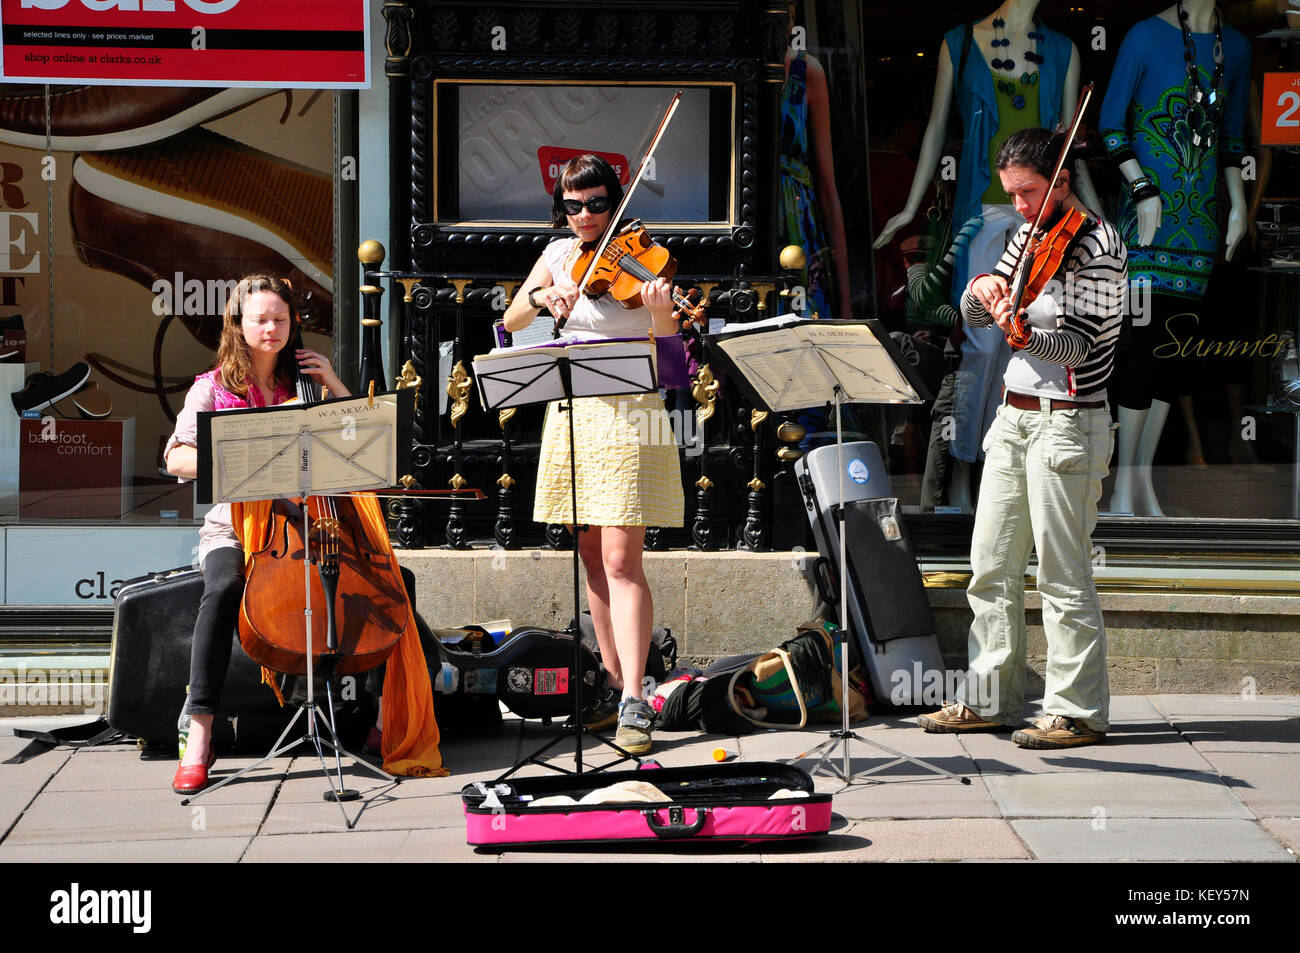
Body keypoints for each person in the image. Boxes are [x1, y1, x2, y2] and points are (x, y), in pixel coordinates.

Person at [165, 275, 443, 795]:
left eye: (281, 319)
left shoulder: (307, 379)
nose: (271, 329)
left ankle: (385, 719)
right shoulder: (213, 387)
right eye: (260, 320)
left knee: (391, 580)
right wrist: (241, 461)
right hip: (237, 525)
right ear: (238, 325)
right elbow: (177, 457)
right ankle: (198, 726)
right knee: (223, 587)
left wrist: (337, 389)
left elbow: (366, 449)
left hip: (313, 520)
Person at [917, 126, 1126, 748]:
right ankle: (989, 699)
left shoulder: (1100, 246)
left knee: (1062, 576)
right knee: (991, 563)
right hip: (1012, 416)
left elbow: (1084, 350)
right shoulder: (1027, 235)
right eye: (1011, 195)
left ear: (1061, 182)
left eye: (1030, 193)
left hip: (1069, 417)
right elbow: (977, 312)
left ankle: (1078, 711)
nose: (1021, 209)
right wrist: (979, 293)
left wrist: (1022, 332)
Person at [873, 0, 1101, 512]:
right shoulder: (959, 42)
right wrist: (912, 207)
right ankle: (962, 470)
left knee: (1031, 344)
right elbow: (936, 128)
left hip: (1044, 218)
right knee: (978, 350)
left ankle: (1017, 474)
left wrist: (1095, 219)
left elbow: (1068, 148)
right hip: (981, 213)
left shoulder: (1062, 51)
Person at [502, 154, 684, 756]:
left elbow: (672, 355)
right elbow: (513, 317)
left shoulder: (640, 258)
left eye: (598, 204)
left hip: (629, 414)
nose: (585, 216)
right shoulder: (557, 255)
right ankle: (607, 681)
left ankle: (636, 695)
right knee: (589, 553)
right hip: (573, 410)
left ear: (617, 200)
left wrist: (660, 312)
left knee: (622, 557)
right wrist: (546, 292)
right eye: (573, 206)